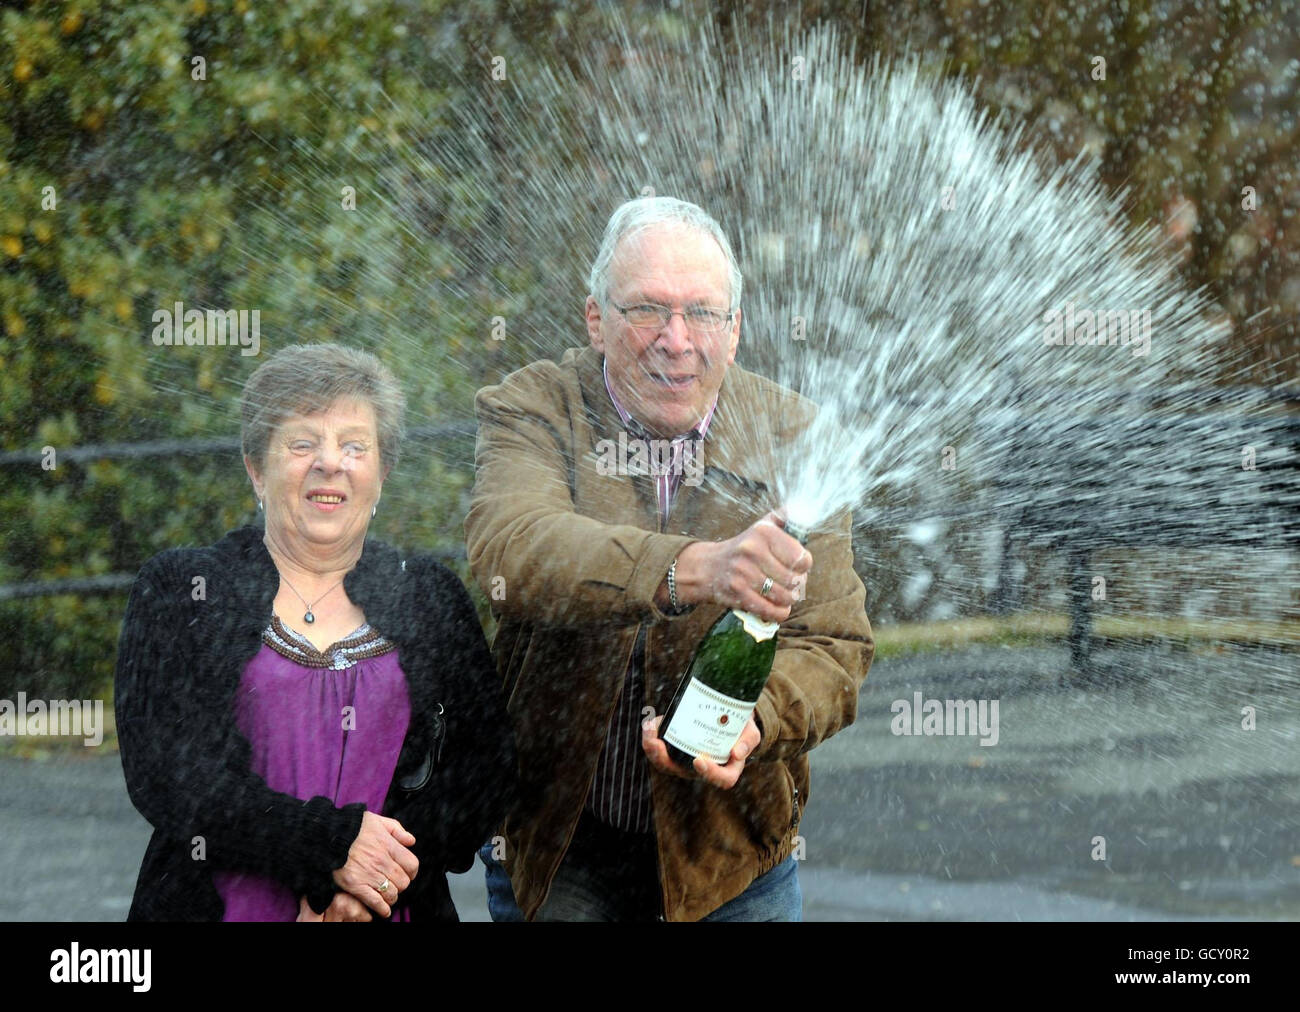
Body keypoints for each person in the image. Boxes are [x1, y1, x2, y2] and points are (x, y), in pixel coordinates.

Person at [466, 196, 874, 921]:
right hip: (564, 847)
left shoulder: (799, 436)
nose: (676, 339)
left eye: (703, 313)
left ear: (736, 329)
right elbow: (512, 549)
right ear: (596, 319)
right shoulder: (536, 406)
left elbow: (834, 648)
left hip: (732, 856)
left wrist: (758, 721)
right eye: (646, 309)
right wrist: (695, 567)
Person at [115, 342, 515, 921]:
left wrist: (368, 887)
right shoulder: (183, 588)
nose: (331, 463)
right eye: (303, 443)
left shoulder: (430, 597)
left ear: (382, 472)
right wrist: (328, 847)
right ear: (257, 467)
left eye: (355, 446)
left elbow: (484, 772)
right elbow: (170, 776)